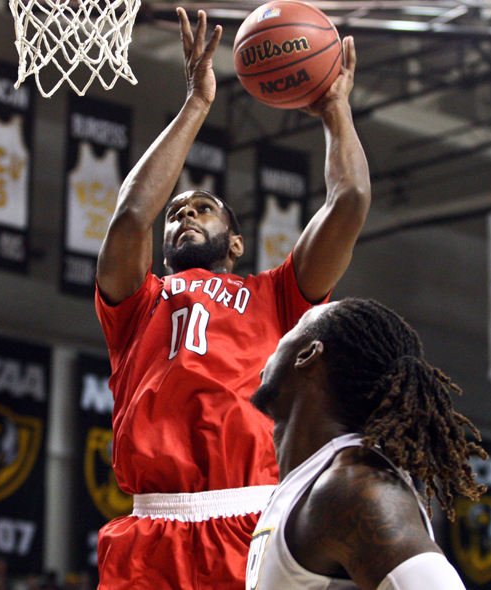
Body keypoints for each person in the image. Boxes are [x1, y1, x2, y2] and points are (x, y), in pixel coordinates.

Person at [93, 7, 370, 590]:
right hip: (152, 530)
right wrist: (196, 103)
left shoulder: (278, 295)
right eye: (178, 212)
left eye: (202, 208)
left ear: (236, 242)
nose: (185, 214)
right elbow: (129, 216)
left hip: (253, 518)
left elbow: (349, 202)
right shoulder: (137, 304)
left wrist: (334, 110)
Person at [246, 298, 488, 589]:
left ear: (308, 354)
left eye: (293, 329)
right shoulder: (311, 485)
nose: (272, 348)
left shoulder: (355, 486)